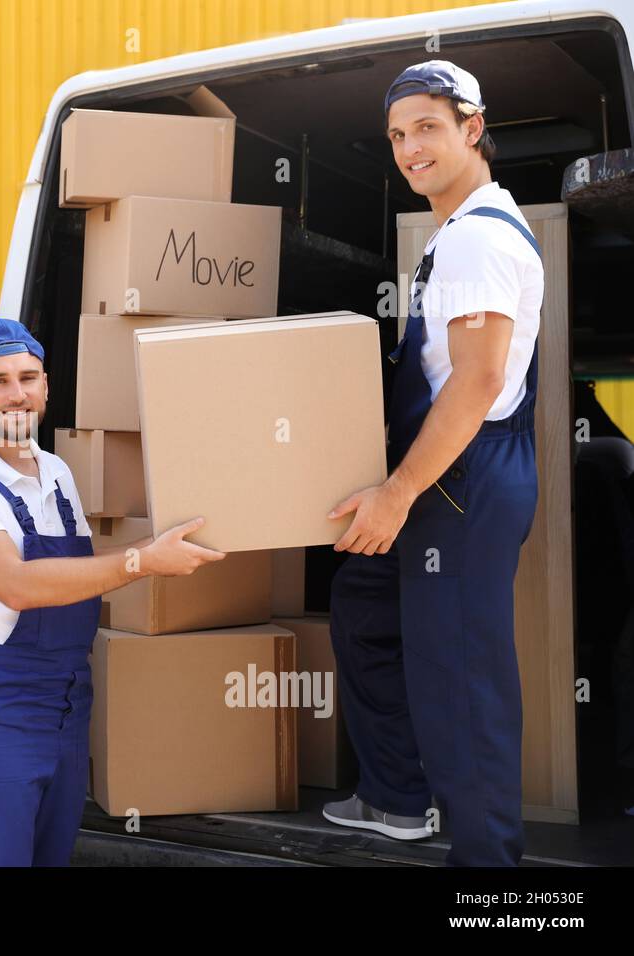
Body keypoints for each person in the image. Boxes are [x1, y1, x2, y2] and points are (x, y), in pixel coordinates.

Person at [322, 61, 545, 866]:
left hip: (462, 476)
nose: (410, 148)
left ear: (472, 129)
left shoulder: (478, 240)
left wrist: (396, 493)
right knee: (366, 604)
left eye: (427, 128)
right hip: (451, 469)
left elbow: (480, 380)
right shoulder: (459, 231)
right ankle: (395, 794)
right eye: (396, 135)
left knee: (463, 683)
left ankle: (491, 877)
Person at [0, 318, 222, 866]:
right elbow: (16, 584)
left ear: (47, 385)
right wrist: (144, 560)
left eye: (28, 377)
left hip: (67, 698)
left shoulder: (56, 472)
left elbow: (81, 578)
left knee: (51, 855)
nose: (17, 394)